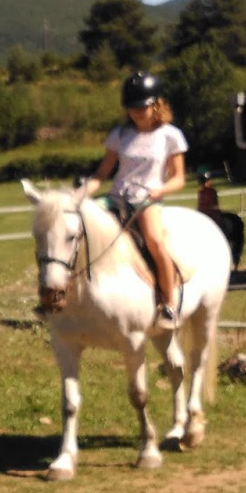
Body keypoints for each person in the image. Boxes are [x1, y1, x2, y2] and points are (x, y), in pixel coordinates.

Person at [79, 71, 187, 330]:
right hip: (117, 198)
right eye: (132, 108)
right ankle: (63, 296)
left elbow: (179, 178)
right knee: (78, 229)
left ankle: (169, 305)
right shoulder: (119, 134)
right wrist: (81, 195)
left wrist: (158, 192)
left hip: (148, 199)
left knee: (154, 241)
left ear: (156, 105)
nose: (136, 113)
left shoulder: (170, 136)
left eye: (142, 107)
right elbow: (102, 174)